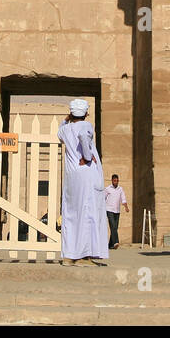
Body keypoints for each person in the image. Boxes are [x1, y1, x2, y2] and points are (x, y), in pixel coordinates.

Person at [57, 98, 109, 266]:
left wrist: (67, 118)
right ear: (86, 113)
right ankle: (83, 256)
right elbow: (83, 138)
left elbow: (60, 129)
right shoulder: (85, 126)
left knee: (72, 214)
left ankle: (69, 255)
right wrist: (87, 156)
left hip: (72, 175)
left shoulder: (65, 130)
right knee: (87, 213)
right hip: (86, 173)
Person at [104, 174, 129, 250]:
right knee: (113, 226)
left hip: (117, 210)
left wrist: (126, 207)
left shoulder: (120, 189)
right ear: (112, 181)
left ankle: (110, 245)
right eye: (115, 181)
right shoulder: (107, 189)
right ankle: (116, 242)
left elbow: (123, 199)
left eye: (117, 181)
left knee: (115, 227)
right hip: (109, 210)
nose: (116, 182)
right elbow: (103, 198)